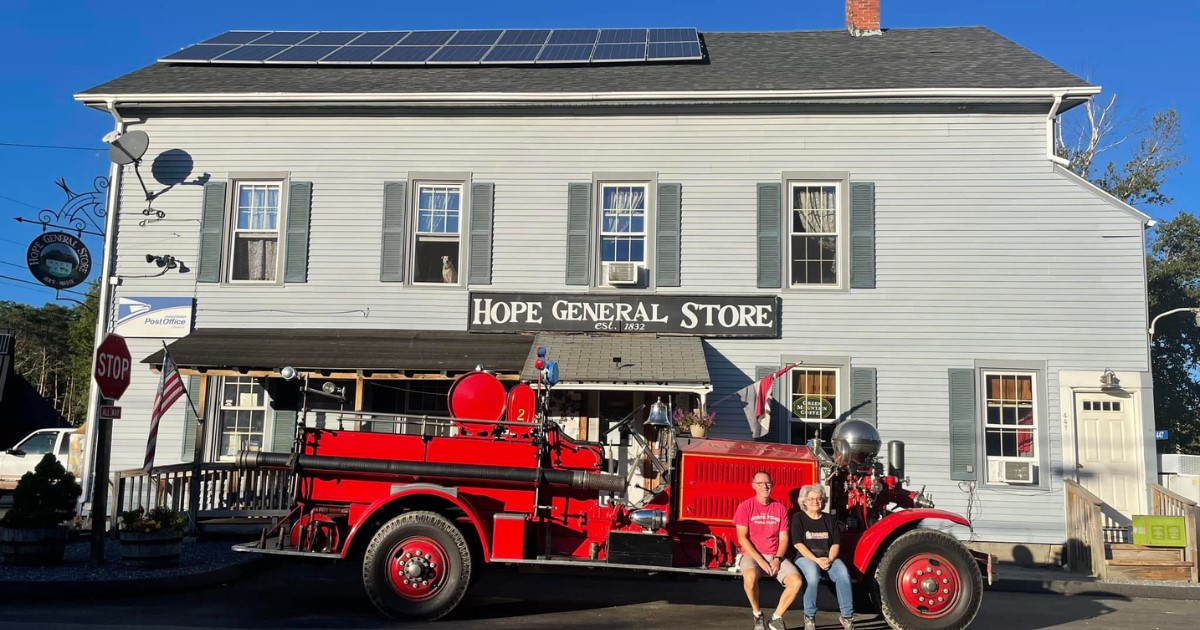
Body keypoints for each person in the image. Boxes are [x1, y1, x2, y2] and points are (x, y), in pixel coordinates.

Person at [734, 471, 803, 630]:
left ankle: (776, 618)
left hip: (774, 555)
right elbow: (742, 538)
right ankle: (757, 614)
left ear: (772, 484)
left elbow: (784, 538)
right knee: (750, 577)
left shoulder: (780, 508)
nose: (765, 486)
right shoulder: (745, 507)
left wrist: (778, 559)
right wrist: (760, 561)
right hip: (752, 555)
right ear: (753, 486)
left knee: (796, 581)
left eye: (768, 483)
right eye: (760, 483)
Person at [790, 484, 855, 630]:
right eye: (811, 499)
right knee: (813, 576)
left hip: (828, 557)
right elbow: (798, 544)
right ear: (804, 501)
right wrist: (816, 560)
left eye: (819, 498)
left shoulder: (830, 519)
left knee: (843, 574)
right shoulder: (798, 518)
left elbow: (835, 544)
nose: (815, 501)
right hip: (806, 557)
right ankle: (809, 617)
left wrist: (830, 560)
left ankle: (847, 617)